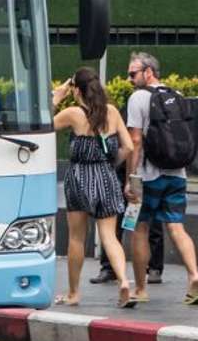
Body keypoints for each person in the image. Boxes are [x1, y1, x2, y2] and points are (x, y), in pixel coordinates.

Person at [52, 68, 138, 309]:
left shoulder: (73, 114)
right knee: (109, 236)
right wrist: (112, 164)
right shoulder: (111, 111)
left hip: (80, 177)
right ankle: (123, 283)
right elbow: (129, 146)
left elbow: (42, 125)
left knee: (77, 238)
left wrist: (57, 98)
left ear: (76, 90)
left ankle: (74, 293)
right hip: (107, 176)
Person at [125, 52, 198, 304]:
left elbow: (136, 140)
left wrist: (131, 177)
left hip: (149, 176)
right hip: (178, 174)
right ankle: (193, 275)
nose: (129, 79)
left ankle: (140, 288)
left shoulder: (138, 97)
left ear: (148, 72)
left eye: (133, 73)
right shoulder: (178, 96)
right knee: (177, 227)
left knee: (140, 229)